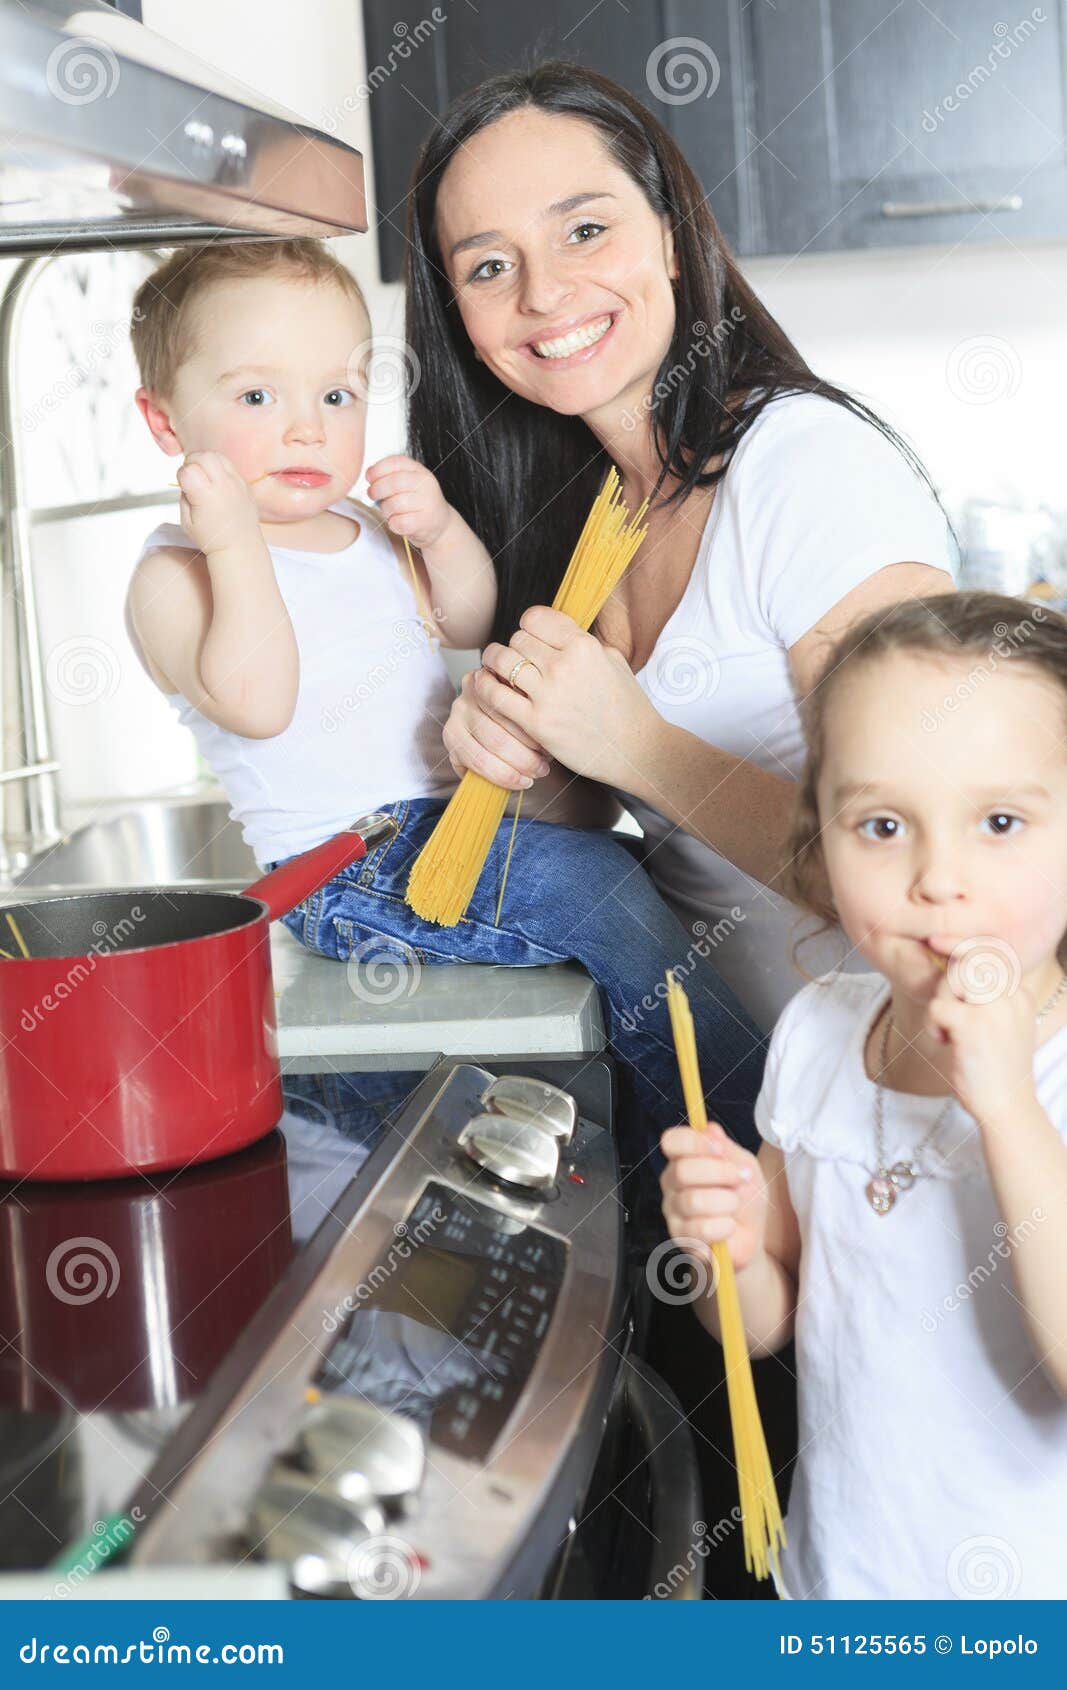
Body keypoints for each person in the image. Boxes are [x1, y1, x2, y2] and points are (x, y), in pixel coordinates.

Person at [124, 238, 768, 1179]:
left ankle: (662, 1156)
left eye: (336, 396)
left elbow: (463, 615)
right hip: (344, 866)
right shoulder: (177, 574)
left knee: (647, 871)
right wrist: (234, 545)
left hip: (467, 822)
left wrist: (439, 533)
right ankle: (740, 1146)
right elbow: (260, 702)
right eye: (258, 397)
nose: (308, 430)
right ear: (164, 420)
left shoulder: (367, 531)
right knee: (596, 894)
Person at [400, 60, 959, 1034]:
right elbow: (656, 820)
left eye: (583, 229)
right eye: (488, 265)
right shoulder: (589, 512)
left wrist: (635, 745)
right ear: (459, 316)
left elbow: (929, 861)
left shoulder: (804, 468)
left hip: (906, 1107)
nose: (542, 292)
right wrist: (533, 773)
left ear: (666, 233)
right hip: (745, 1119)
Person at [660, 590, 1067, 1600]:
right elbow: (763, 1325)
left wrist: (1008, 1108)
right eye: (880, 824)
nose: (936, 878)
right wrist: (733, 1245)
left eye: (999, 822)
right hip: (833, 1586)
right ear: (820, 835)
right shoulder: (818, 1032)